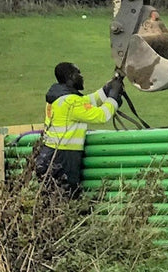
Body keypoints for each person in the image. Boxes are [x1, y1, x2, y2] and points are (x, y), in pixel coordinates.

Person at [36, 62, 123, 197]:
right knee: (67, 197)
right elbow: (101, 116)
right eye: (79, 73)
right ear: (71, 76)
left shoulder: (59, 97)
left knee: (52, 199)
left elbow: (86, 102)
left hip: (50, 154)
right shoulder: (71, 102)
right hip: (64, 157)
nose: (81, 77)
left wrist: (107, 89)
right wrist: (113, 99)